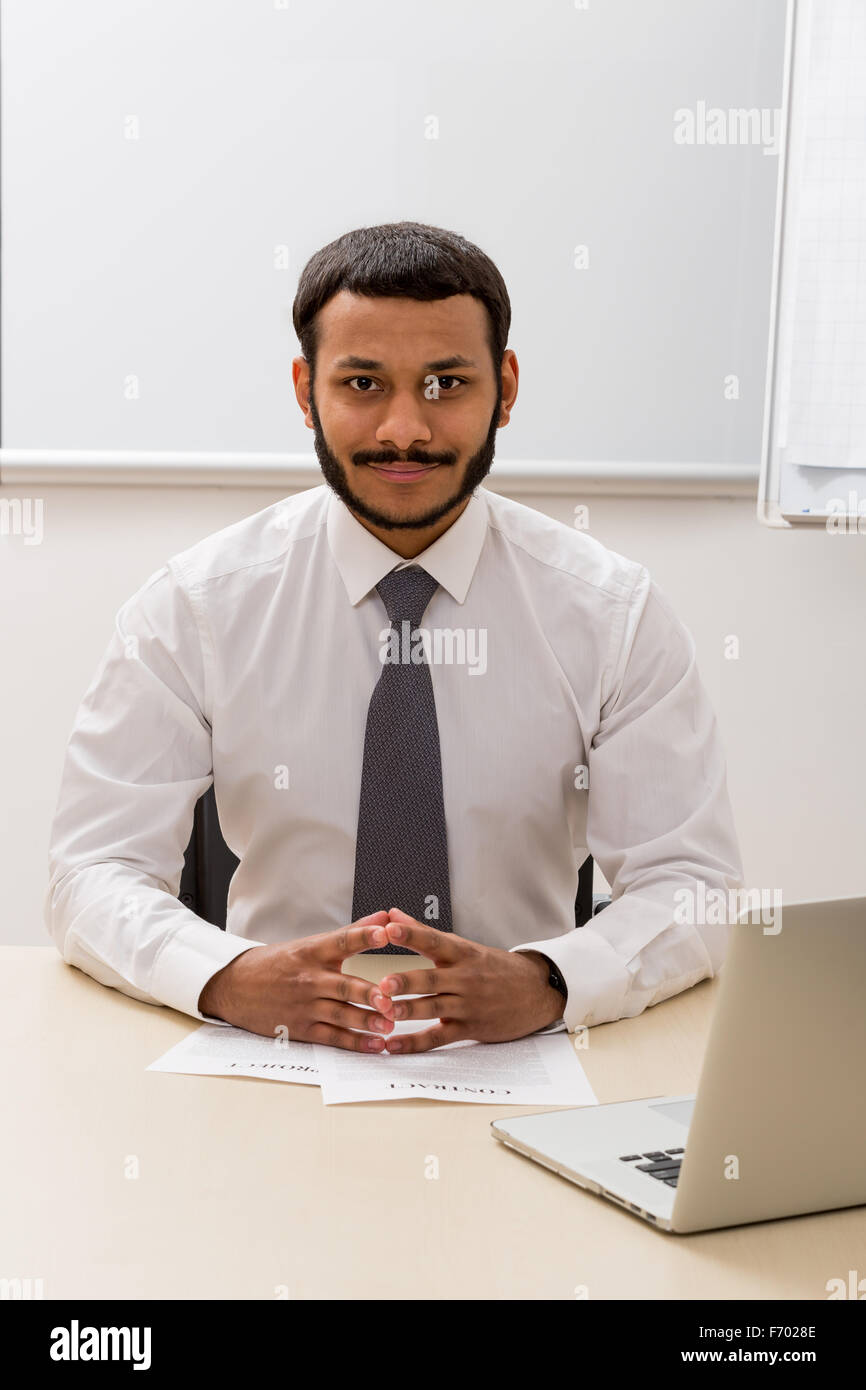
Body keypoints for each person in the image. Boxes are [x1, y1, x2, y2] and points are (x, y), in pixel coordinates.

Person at [44, 220, 744, 1054]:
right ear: (306, 390)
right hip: (267, 1052)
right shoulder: (197, 606)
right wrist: (228, 976)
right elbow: (89, 873)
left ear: (507, 388)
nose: (404, 429)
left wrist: (551, 981)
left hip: (523, 1057)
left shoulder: (613, 614)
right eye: (364, 383)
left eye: (446, 383)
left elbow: (695, 886)